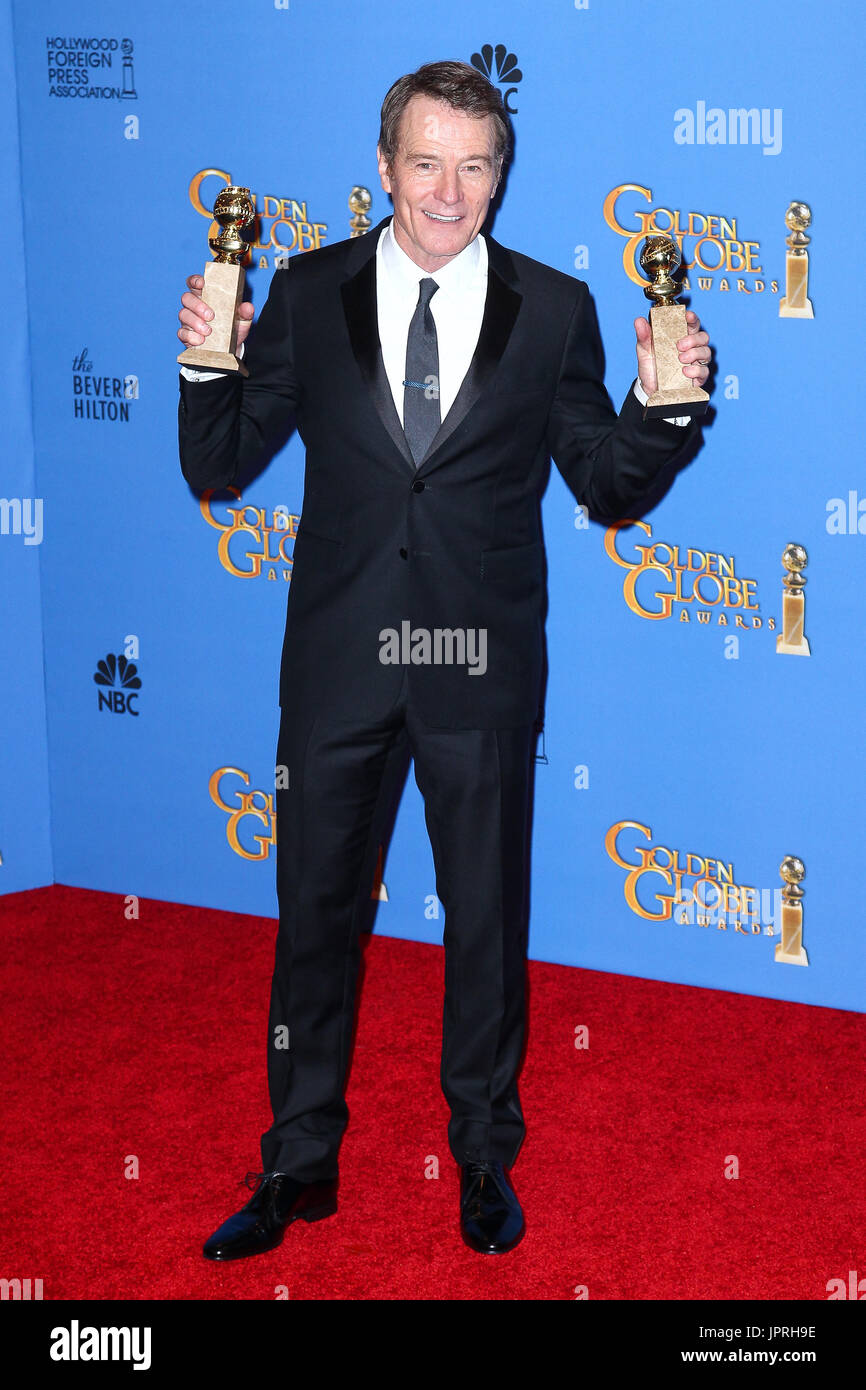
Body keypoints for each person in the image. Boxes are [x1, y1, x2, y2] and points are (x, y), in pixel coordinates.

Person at [177, 59, 712, 1260]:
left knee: (483, 923)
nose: (447, 189)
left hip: (479, 667)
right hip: (337, 666)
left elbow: (605, 484)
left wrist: (662, 407)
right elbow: (215, 466)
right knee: (311, 918)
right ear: (383, 167)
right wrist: (206, 361)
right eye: (425, 161)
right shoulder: (309, 293)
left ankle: (481, 1154)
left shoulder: (554, 309)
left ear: (499, 175)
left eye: (474, 165)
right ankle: (296, 1161)